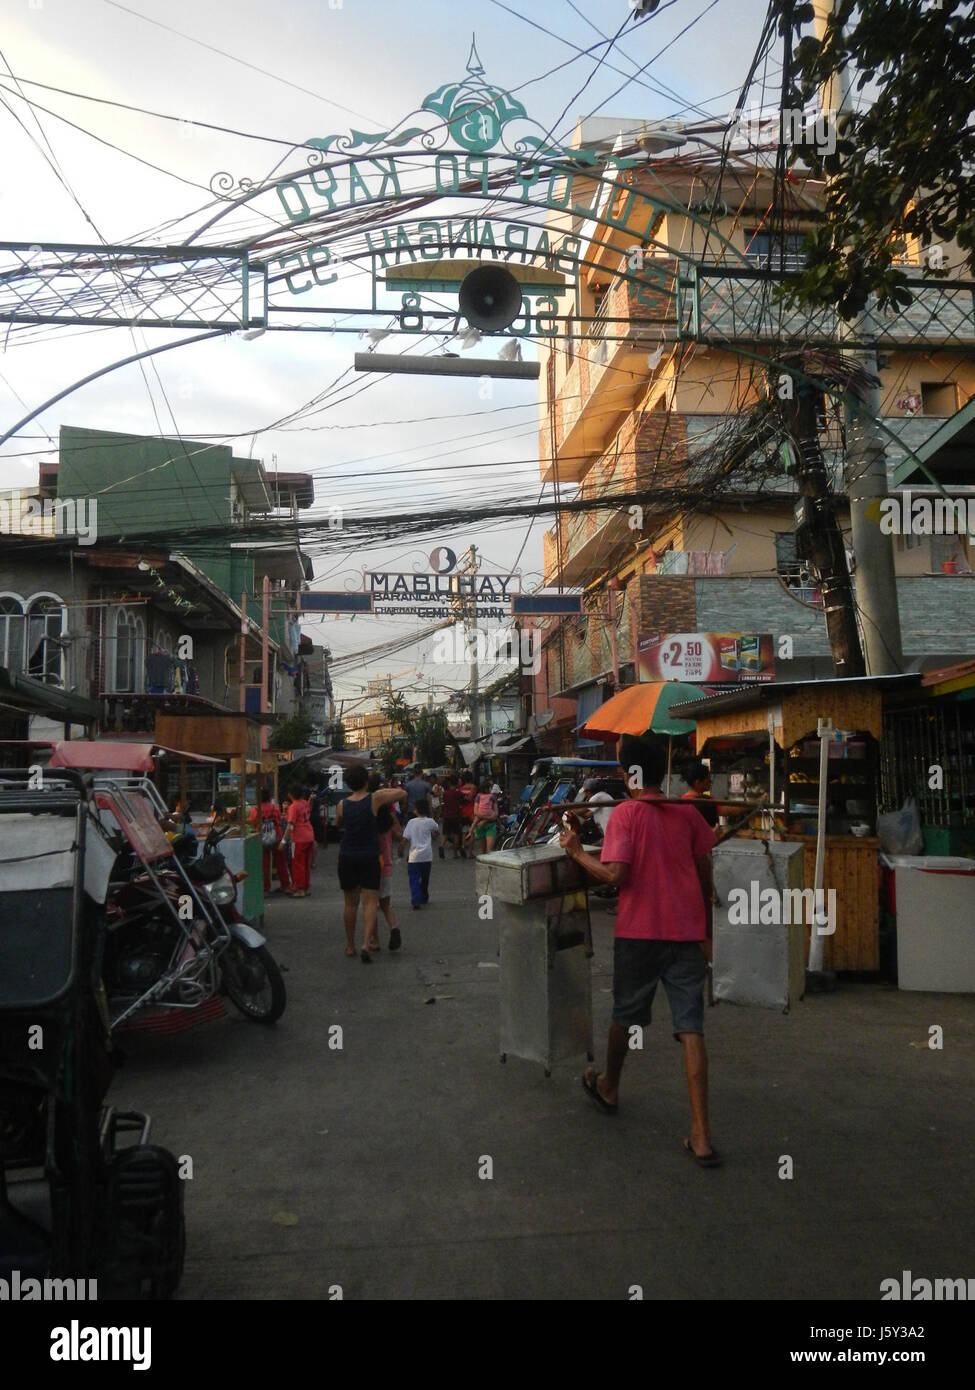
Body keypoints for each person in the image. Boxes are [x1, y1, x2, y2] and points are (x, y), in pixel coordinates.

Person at [559, 732, 721, 1166]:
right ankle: (701, 1135)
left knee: (625, 1015)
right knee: (691, 1029)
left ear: (628, 774)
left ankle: (610, 1086)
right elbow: (705, 870)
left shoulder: (627, 815)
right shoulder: (687, 814)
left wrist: (575, 852)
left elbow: (615, 877)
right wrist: (706, 930)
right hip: (686, 932)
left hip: (640, 933)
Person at [337, 764, 407, 961]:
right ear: (366, 782)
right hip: (369, 856)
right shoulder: (374, 799)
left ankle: (350, 945)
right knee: (369, 903)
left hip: (347, 856)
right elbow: (400, 793)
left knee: (350, 904)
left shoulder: (342, 805)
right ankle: (367, 943)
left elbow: (339, 824)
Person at [369, 771, 403, 951]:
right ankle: (393, 927)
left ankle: (375, 940)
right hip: (387, 864)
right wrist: (402, 841)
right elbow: (398, 832)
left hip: (372, 864)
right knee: (385, 904)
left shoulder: (368, 813)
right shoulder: (388, 817)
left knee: (371, 904)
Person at [249, 783, 292, 895]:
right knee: (280, 863)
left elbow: (252, 824)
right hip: (276, 838)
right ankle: (285, 885)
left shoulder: (255, 810)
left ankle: (265, 887)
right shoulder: (275, 808)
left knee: (264, 865)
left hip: (261, 840)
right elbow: (278, 821)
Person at [401, 797, 439, 908]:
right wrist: (433, 835)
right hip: (427, 856)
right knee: (425, 878)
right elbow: (436, 832)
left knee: (414, 878)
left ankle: (416, 899)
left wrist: (401, 848)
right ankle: (424, 895)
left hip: (414, 856)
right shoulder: (430, 821)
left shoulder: (411, 822)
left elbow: (405, 839)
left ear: (416, 810)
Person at [282, 785, 314, 898]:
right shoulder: (304, 803)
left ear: (290, 794)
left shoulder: (293, 807)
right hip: (309, 835)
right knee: (305, 863)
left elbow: (290, 825)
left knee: (298, 864)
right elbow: (309, 809)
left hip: (299, 838)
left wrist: (283, 841)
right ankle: (304, 887)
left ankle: (299, 889)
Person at [680, 760, 719, 827]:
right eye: (708, 779)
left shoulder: (681, 801)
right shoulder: (707, 801)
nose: (710, 782)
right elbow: (730, 810)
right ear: (697, 782)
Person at [470, 779, 500, 856]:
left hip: (489, 825)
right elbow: (476, 812)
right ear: (486, 788)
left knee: (489, 850)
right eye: (490, 787)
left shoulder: (493, 798)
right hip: (481, 826)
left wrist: (484, 820)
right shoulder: (478, 797)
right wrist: (488, 818)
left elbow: (496, 814)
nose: (491, 789)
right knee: (482, 851)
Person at [441, 775, 465, 859]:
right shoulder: (458, 793)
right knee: (456, 835)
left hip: (446, 816)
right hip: (456, 816)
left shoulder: (445, 793)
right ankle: (455, 854)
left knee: (445, 833)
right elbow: (464, 800)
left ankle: (442, 845)